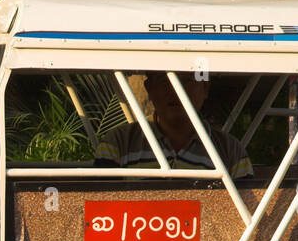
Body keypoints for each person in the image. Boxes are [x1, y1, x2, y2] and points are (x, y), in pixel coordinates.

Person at [94, 70, 253, 179]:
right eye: (165, 80)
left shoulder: (230, 151)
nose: (176, 90)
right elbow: (98, 211)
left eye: (187, 80)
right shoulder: (118, 142)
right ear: (149, 88)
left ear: (205, 88)